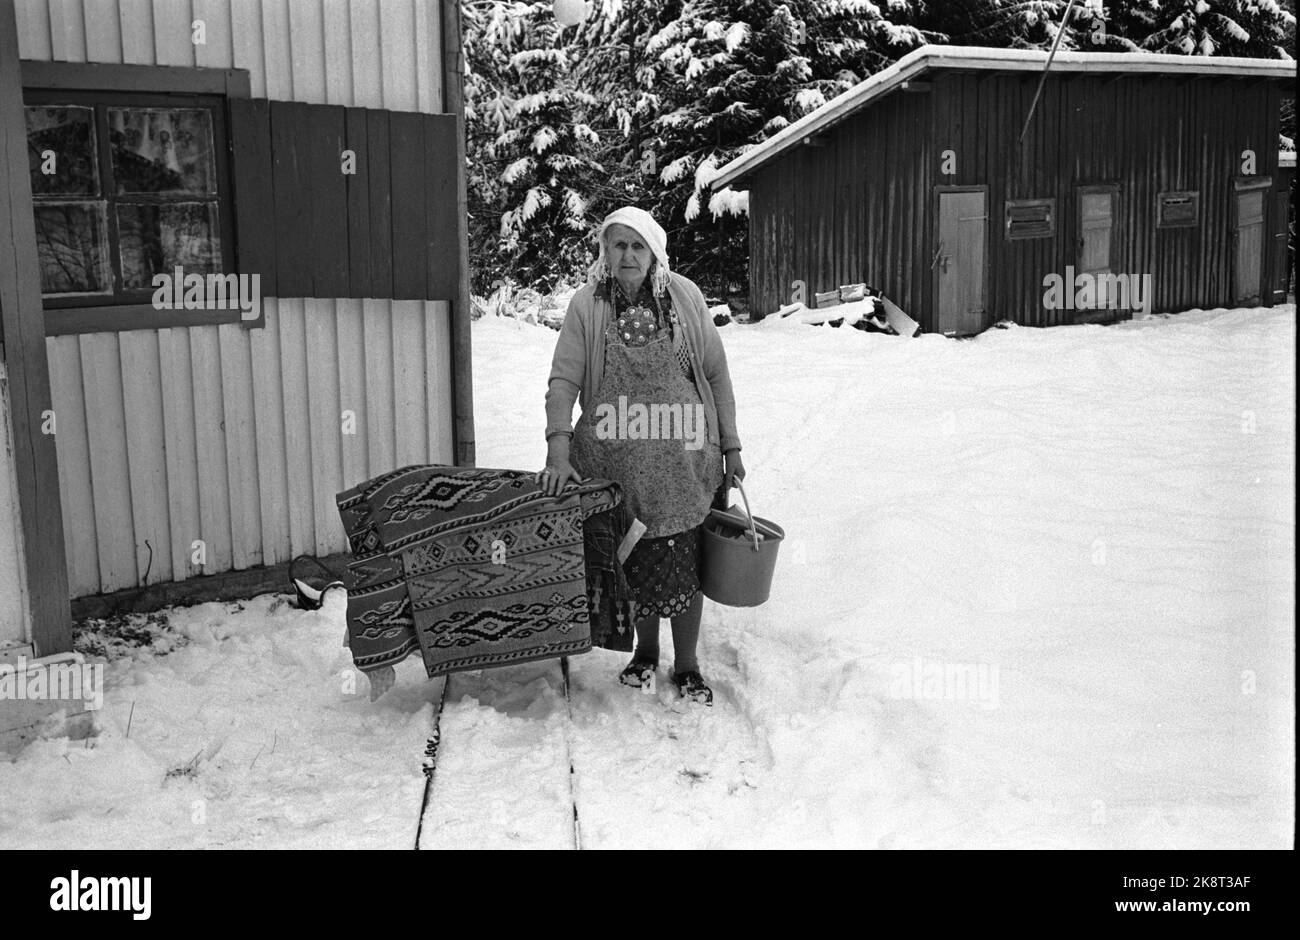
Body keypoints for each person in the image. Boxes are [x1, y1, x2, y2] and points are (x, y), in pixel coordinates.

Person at [539, 206, 744, 705]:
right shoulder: (588, 305)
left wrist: (732, 445)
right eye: (618, 245)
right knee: (636, 557)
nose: (627, 255)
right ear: (604, 252)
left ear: (654, 252)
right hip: (618, 460)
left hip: (685, 459)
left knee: (687, 560)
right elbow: (564, 379)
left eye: (637, 246)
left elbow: (714, 373)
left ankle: (689, 665)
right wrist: (558, 449)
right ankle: (646, 654)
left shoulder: (684, 297)